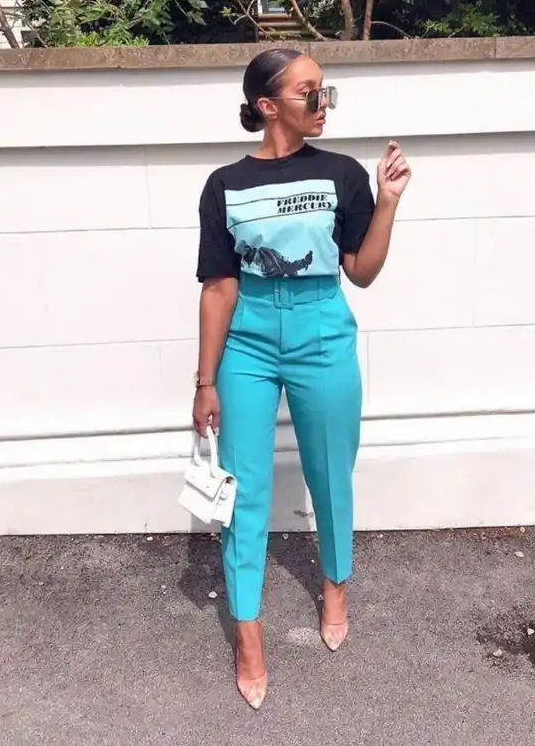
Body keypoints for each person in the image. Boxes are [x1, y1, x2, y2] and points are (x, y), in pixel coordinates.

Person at [192, 48, 411, 709]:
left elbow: (362, 271)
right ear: (268, 106)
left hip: (322, 327)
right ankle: (248, 633)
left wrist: (388, 202)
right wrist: (205, 381)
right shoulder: (224, 184)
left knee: (329, 472)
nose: (323, 103)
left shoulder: (342, 173)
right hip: (249, 340)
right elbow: (219, 287)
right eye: (310, 92)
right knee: (244, 487)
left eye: (325, 91)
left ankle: (336, 585)